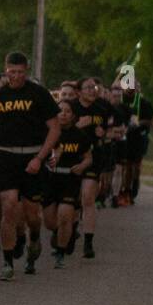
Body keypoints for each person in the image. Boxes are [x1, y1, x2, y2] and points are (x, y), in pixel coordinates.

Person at [0, 52, 60, 280]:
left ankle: (34, 238)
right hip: (6, 158)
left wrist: (40, 158)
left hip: (32, 158)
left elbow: (54, 128)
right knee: (8, 208)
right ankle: (7, 263)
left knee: (31, 215)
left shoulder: (39, 94)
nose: (15, 76)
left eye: (20, 72)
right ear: (6, 70)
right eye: (11, 72)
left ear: (26, 70)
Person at [42, 100, 92, 269]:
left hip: (70, 180)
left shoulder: (80, 135)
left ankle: (61, 252)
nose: (63, 114)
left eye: (67, 111)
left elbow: (88, 157)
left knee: (65, 216)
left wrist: (82, 166)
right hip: (50, 180)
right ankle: (60, 232)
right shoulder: (47, 132)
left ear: (73, 116)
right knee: (49, 222)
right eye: (60, 110)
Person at [72, 77, 113, 257]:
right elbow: (59, 130)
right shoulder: (71, 108)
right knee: (73, 200)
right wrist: (78, 126)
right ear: (79, 91)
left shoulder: (101, 110)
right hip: (71, 156)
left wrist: (102, 134)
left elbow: (107, 133)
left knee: (88, 198)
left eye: (94, 87)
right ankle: (70, 231)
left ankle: (88, 242)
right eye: (88, 88)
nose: (92, 90)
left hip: (94, 156)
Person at [121, 83, 153, 204]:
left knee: (135, 166)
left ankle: (133, 187)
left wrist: (138, 123)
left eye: (134, 86)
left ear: (138, 88)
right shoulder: (121, 101)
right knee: (126, 166)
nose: (131, 89)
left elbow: (151, 121)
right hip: (124, 137)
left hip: (139, 138)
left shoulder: (144, 103)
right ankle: (125, 190)